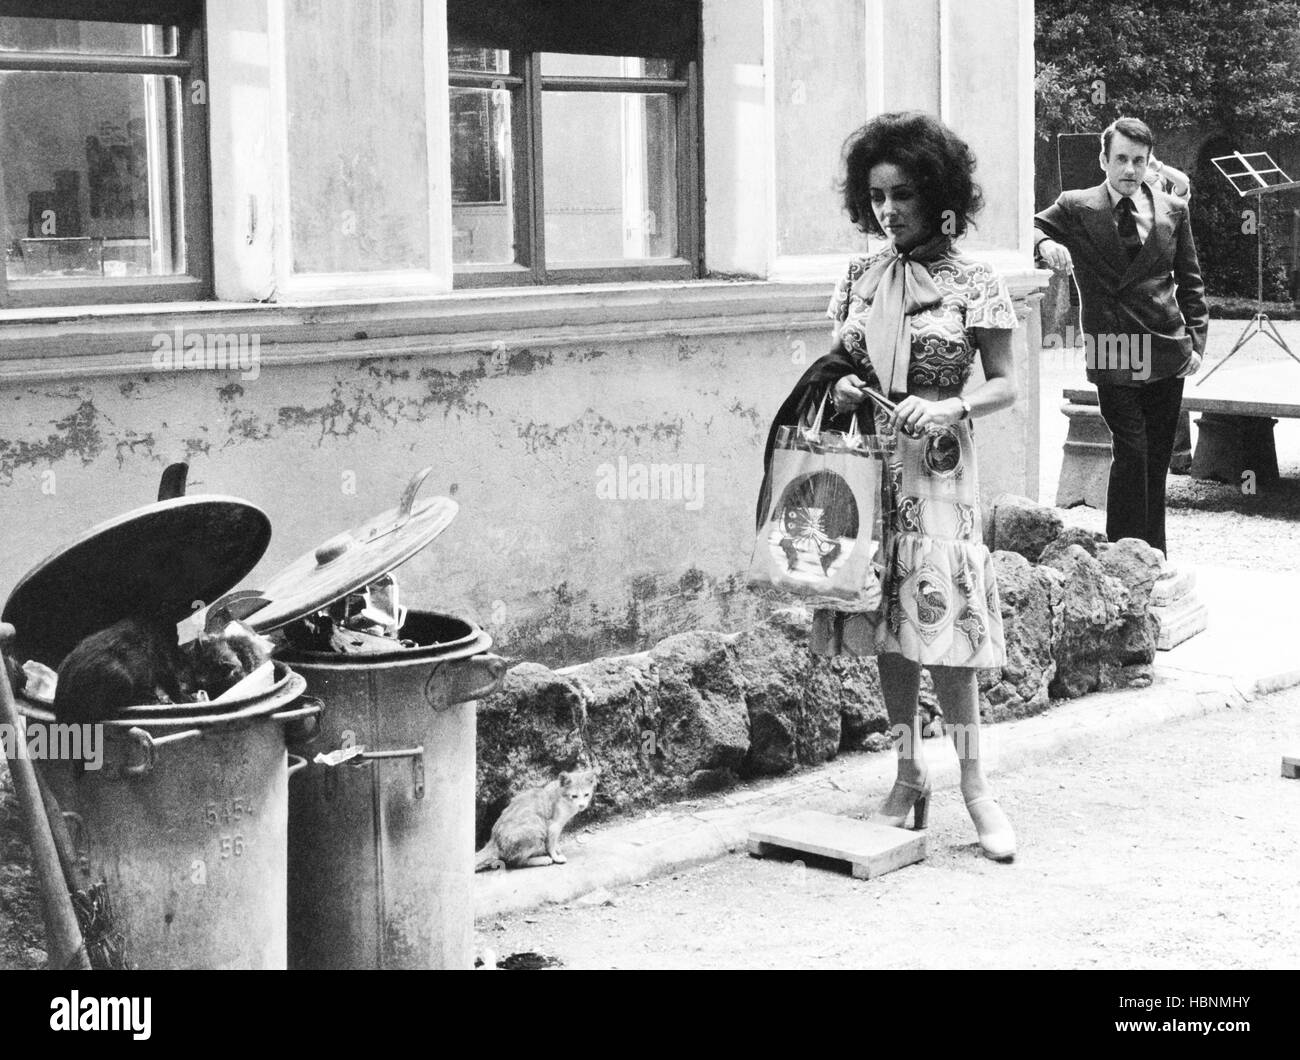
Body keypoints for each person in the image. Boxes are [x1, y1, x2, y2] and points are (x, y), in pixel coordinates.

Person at [820, 111, 1020, 861]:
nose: (888, 211)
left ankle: (976, 789)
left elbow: (1005, 385)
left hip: (938, 476)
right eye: (875, 196)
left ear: (937, 194)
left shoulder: (975, 281)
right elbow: (835, 369)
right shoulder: (857, 277)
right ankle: (908, 778)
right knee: (889, 635)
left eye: (902, 194)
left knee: (948, 633)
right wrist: (840, 390)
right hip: (869, 475)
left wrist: (949, 404)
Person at [1034, 117, 1208, 556]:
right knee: (1130, 452)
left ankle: (1153, 557)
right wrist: (1043, 245)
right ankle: (1124, 555)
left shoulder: (1173, 210)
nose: (1130, 169)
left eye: (1139, 160)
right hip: (1114, 347)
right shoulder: (1076, 205)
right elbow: (1031, 227)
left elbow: (1191, 281)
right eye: (1121, 159)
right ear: (1104, 160)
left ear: (1149, 163)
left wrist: (1197, 344)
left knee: (1155, 458)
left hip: (1167, 347)